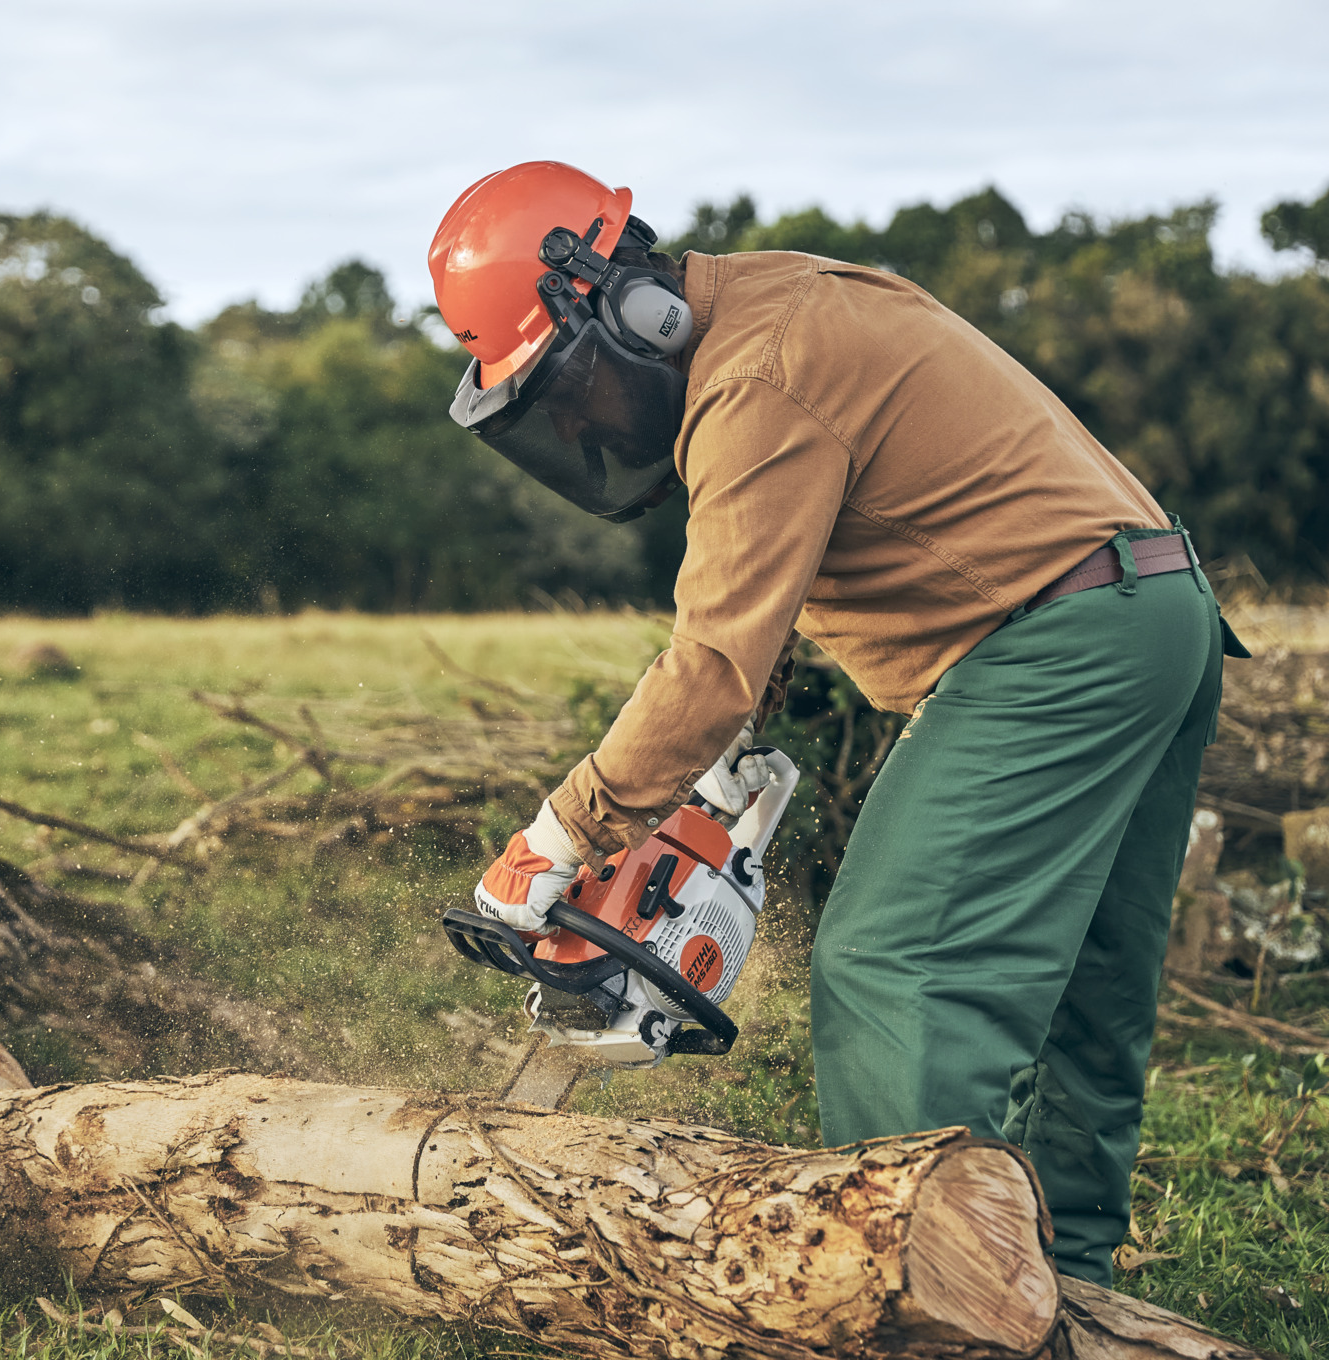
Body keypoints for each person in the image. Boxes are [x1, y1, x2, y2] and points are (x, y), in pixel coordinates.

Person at [429, 160, 1248, 1286]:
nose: (590, 421)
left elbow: (709, 662)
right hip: (1154, 611)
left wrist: (559, 837)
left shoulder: (753, 377)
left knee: (893, 960)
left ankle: (919, 1288)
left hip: (1054, 643)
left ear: (625, 305)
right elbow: (784, 594)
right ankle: (1073, 1287)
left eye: (576, 389)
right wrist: (712, 767)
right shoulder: (775, 305)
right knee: (1088, 994)